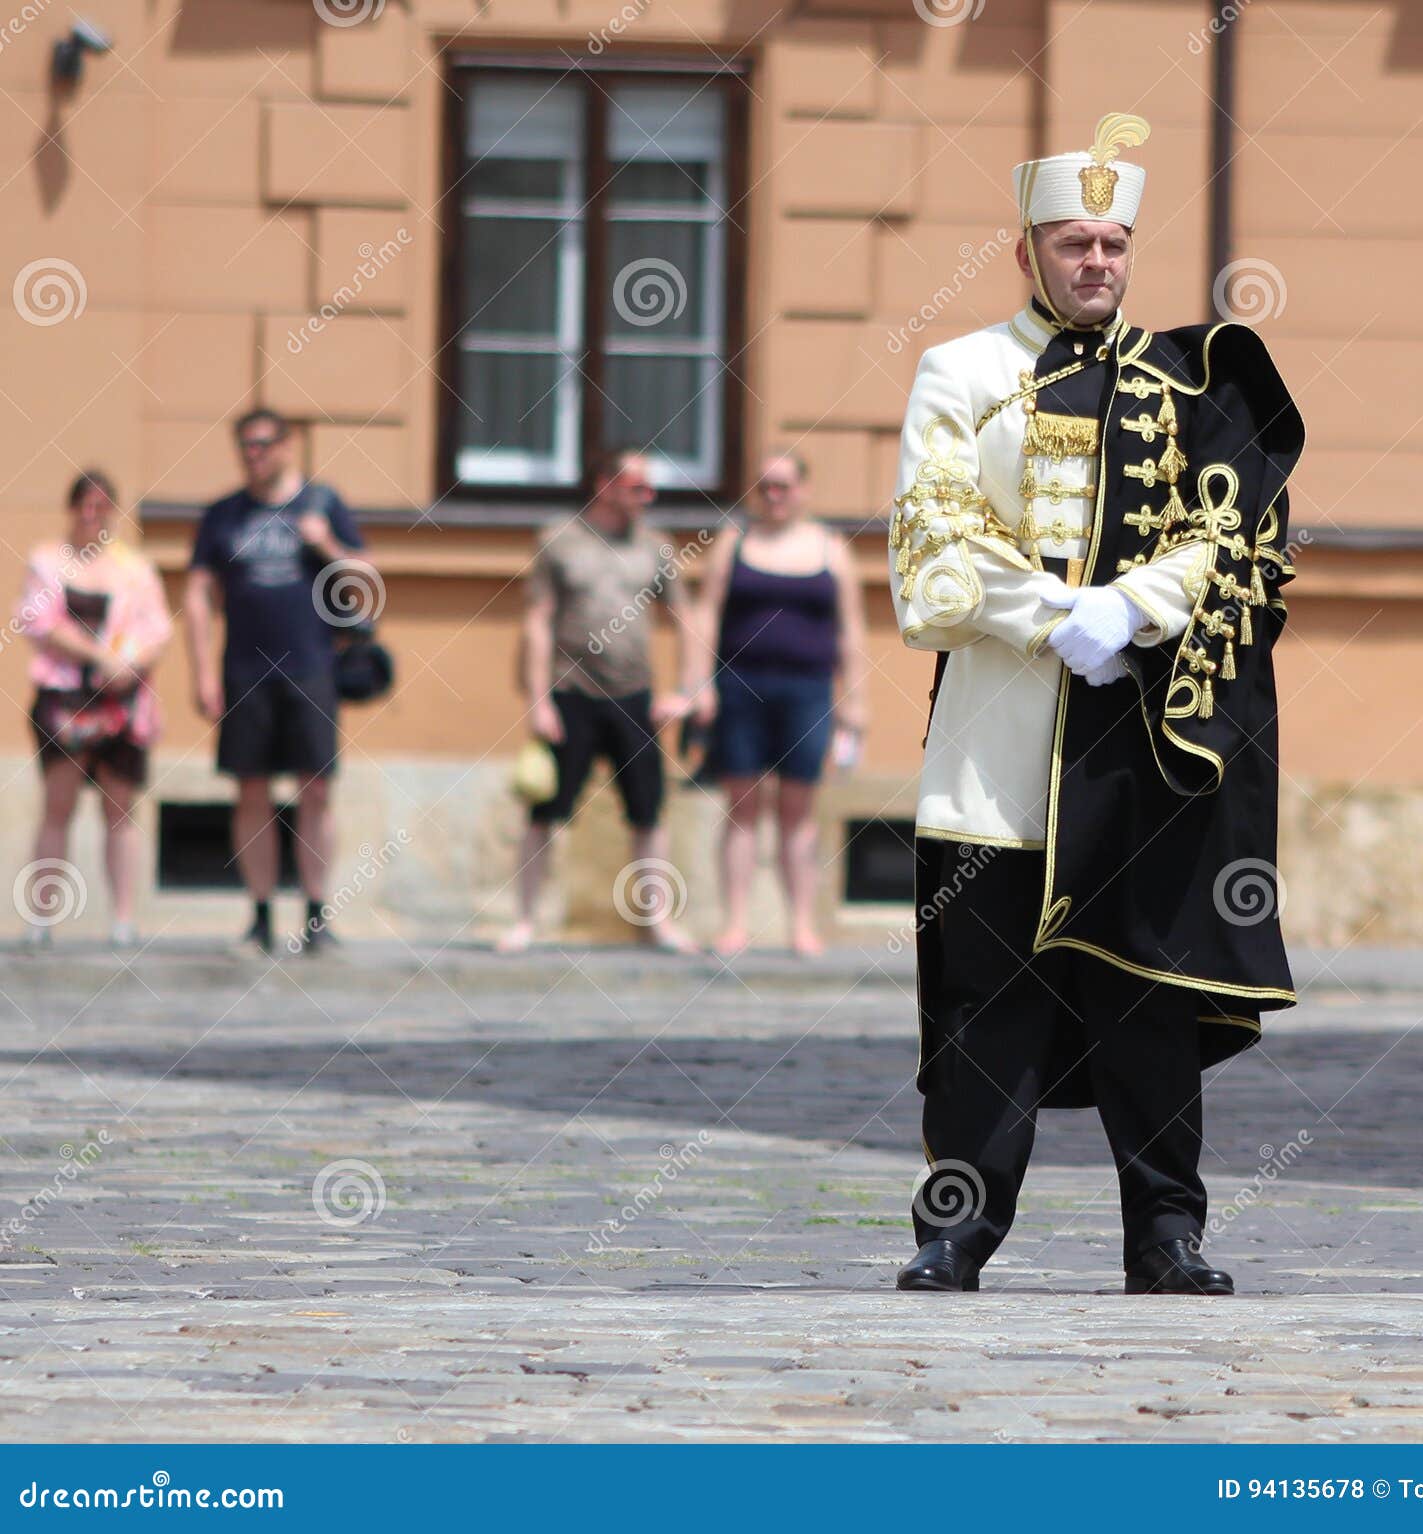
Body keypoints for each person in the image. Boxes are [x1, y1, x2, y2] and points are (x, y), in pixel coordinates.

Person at [889, 113, 1304, 1297]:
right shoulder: (961, 372)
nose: (1097, 265)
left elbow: (1228, 534)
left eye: (1114, 244)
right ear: (1026, 251)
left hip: (1141, 745)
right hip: (997, 750)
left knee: (1149, 1001)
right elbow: (932, 546)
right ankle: (956, 1228)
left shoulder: (1183, 381)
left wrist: (1131, 611)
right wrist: (1049, 620)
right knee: (984, 1005)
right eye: (1073, 243)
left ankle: (1165, 1233)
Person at [184, 409, 371, 956]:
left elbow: (366, 574)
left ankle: (317, 915)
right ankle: (260, 917)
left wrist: (328, 545)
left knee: (316, 788)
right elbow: (197, 596)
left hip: (311, 668)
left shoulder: (323, 503)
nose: (254, 454)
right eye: (245, 446)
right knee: (251, 791)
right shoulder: (222, 514)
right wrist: (200, 671)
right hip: (244, 671)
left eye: (264, 444)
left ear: (287, 446)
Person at [499, 447, 698, 954]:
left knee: (648, 812)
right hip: (571, 693)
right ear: (604, 485)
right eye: (638, 488)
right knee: (544, 810)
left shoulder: (656, 547)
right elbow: (538, 621)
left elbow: (686, 620)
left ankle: (656, 922)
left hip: (635, 697)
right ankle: (524, 920)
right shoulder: (558, 541)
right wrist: (538, 701)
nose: (648, 498)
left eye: (650, 488)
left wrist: (688, 691)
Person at [689, 450, 868, 957]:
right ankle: (735, 924)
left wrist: (855, 702)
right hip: (740, 685)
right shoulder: (732, 542)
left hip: (809, 690)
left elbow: (851, 630)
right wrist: (697, 684)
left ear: (804, 491)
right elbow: (705, 615)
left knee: (798, 808)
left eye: (784, 486)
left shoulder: (832, 548)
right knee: (741, 804)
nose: (774, 495)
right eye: (765, 486)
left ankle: (802, 925)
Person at [17, 471, 172, 948]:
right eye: (85, 504)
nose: (93, 514)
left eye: (102, 506)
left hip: (121, 703)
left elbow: (158, 629)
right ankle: (41, 919)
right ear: (72, 508)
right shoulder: (47, 560)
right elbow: (40, 621)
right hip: (64, 699)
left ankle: (123, 919)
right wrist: (96, 657)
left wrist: (129, 665)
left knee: (120, 810)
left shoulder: (134, 567)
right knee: (57, 807)